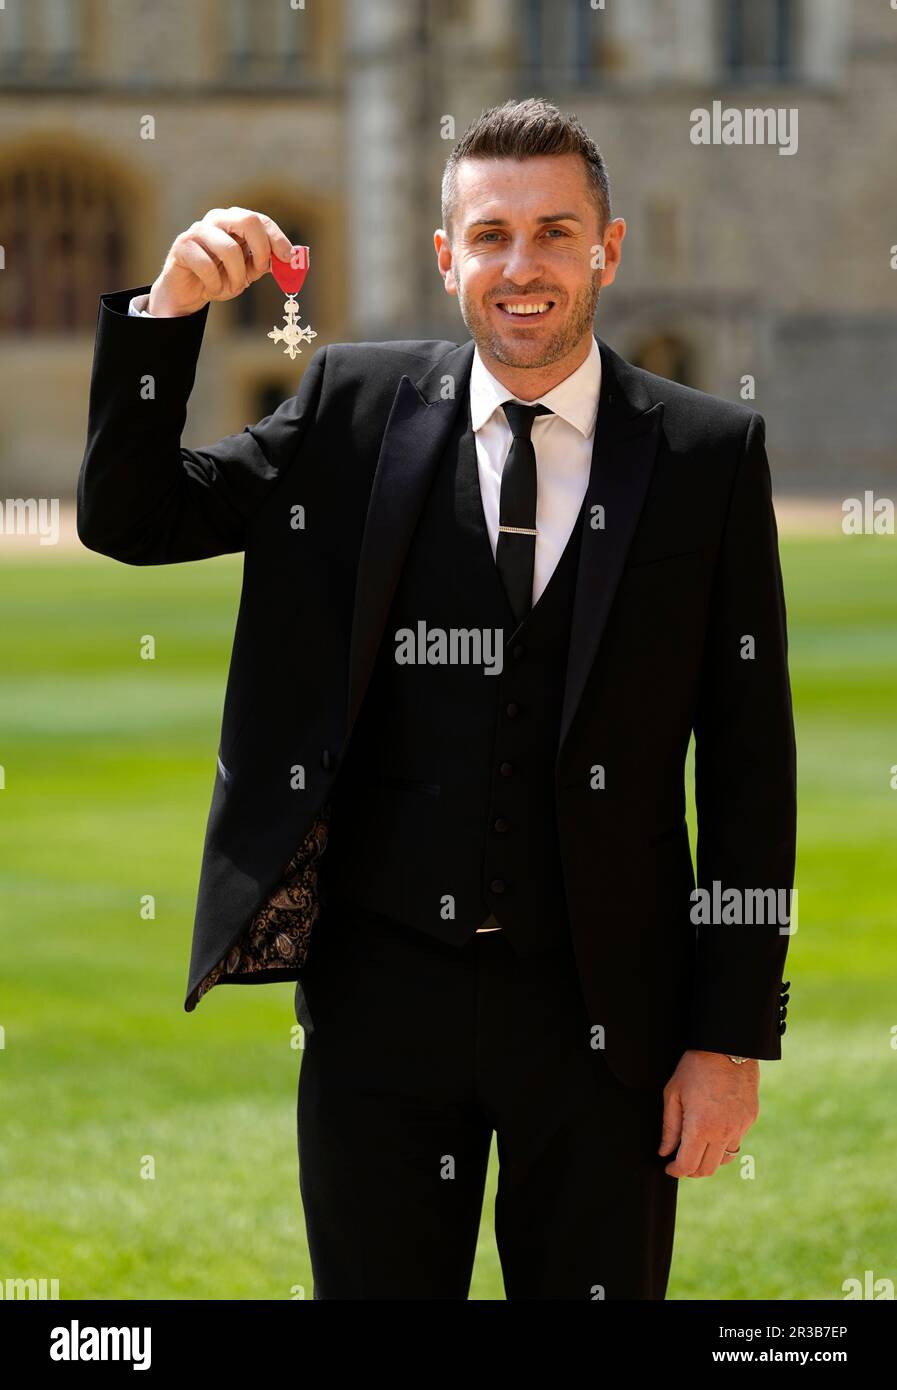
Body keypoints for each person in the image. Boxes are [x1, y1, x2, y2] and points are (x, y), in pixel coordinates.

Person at [77, 97, 796, 1300]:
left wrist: (728, 1037)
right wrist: (168, 320)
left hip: (607, 1015)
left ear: (606, 251)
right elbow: (133, 521)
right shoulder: (351, 409)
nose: (523, 267)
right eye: (493, 234)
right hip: (378, 1006)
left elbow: (747, 764)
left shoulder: (707, 453)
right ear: (446, 255)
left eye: (556, 233)